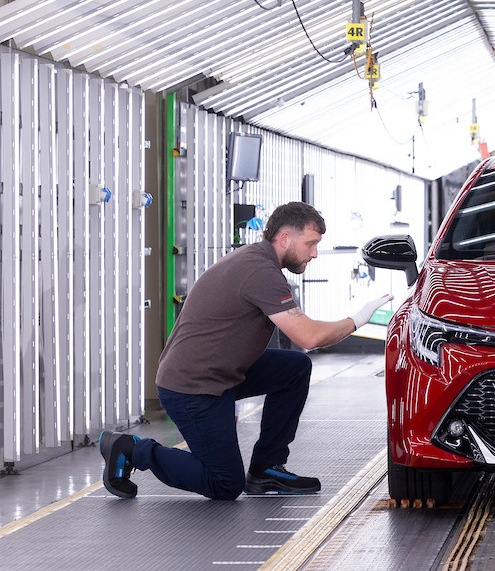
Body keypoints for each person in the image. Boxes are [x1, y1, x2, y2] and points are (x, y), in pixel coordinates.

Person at [99, 201, 393, 500]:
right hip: (193, 387)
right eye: (311, 244)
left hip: (219, 373)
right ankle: (133, 450)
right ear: (284, 238)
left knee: (294, 368)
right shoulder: (260, 272)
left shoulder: (257, 261)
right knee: (224, 484)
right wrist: (358, 319)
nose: (315, 253)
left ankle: (266, 469)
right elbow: (308, 336)